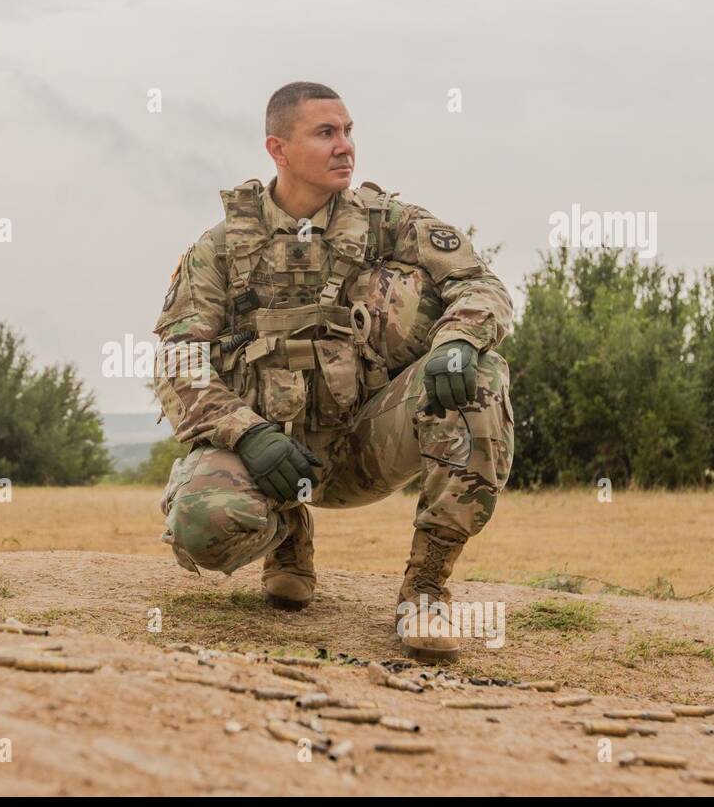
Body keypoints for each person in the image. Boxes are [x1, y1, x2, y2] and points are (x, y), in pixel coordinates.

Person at [153, 81, 514, 661]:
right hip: (264, 457)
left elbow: (481, 284)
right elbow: (178, 361)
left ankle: (424, 590)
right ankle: (287, 533)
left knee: (482, 377)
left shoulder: (389, 224)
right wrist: (247, 432)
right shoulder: (219, 250)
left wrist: (458, 340)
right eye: (326, 133)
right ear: (278, 148)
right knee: (204, 522)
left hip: (363, 444)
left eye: (348, 131)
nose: (345, 146)